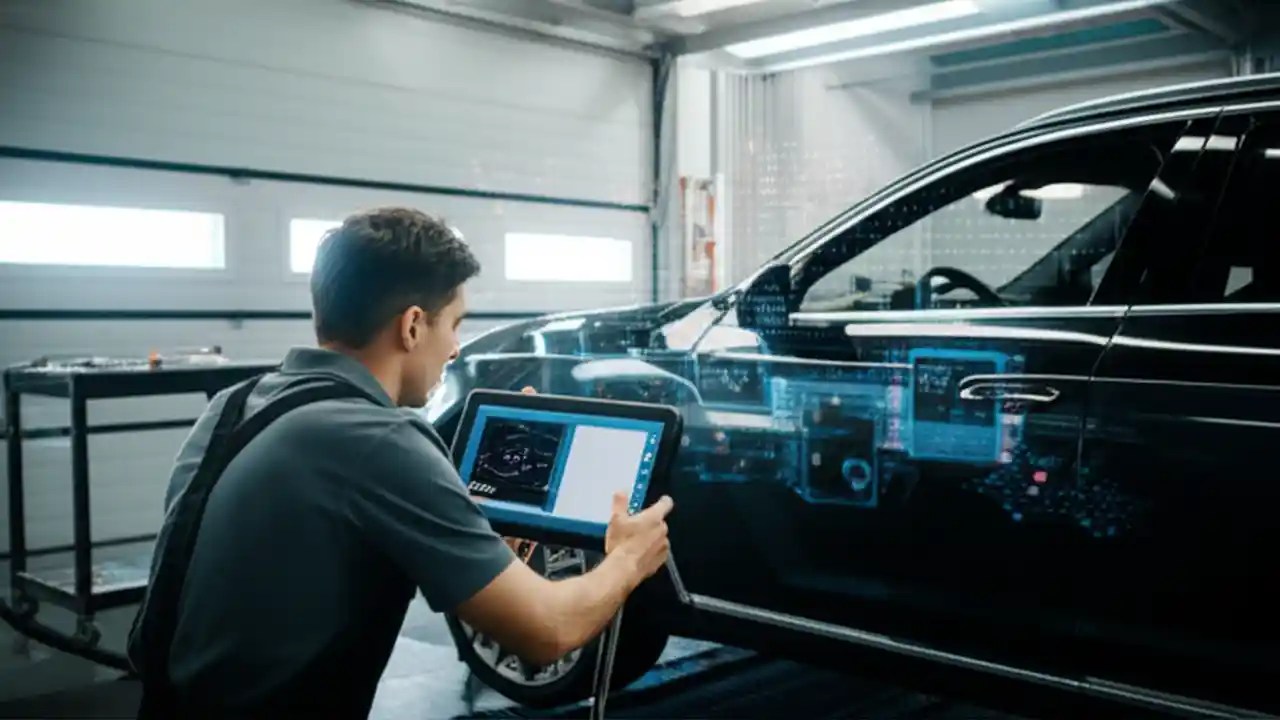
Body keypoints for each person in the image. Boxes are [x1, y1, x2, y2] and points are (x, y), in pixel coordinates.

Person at [127, 207, 674, 718]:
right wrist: (629, 559)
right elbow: (546, 632)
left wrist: (486, 549)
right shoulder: (380, 439)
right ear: (412, 326)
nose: (456, 348)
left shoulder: (234, 405)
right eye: (454, 324)